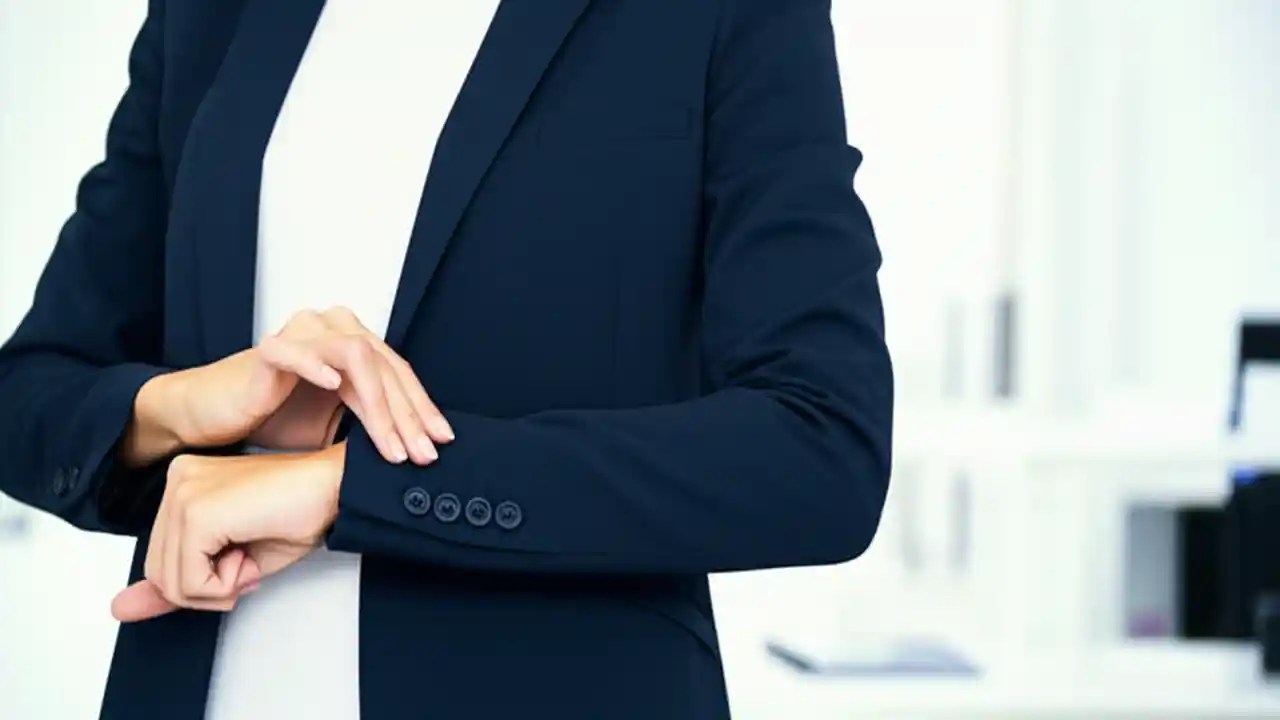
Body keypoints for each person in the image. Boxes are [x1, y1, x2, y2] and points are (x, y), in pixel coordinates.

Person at [0, 0, 893, 718]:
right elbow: (28, 399)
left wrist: (348, 489)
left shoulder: (722, 14)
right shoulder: (212, 15)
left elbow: (821, 448)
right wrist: (190, 405)